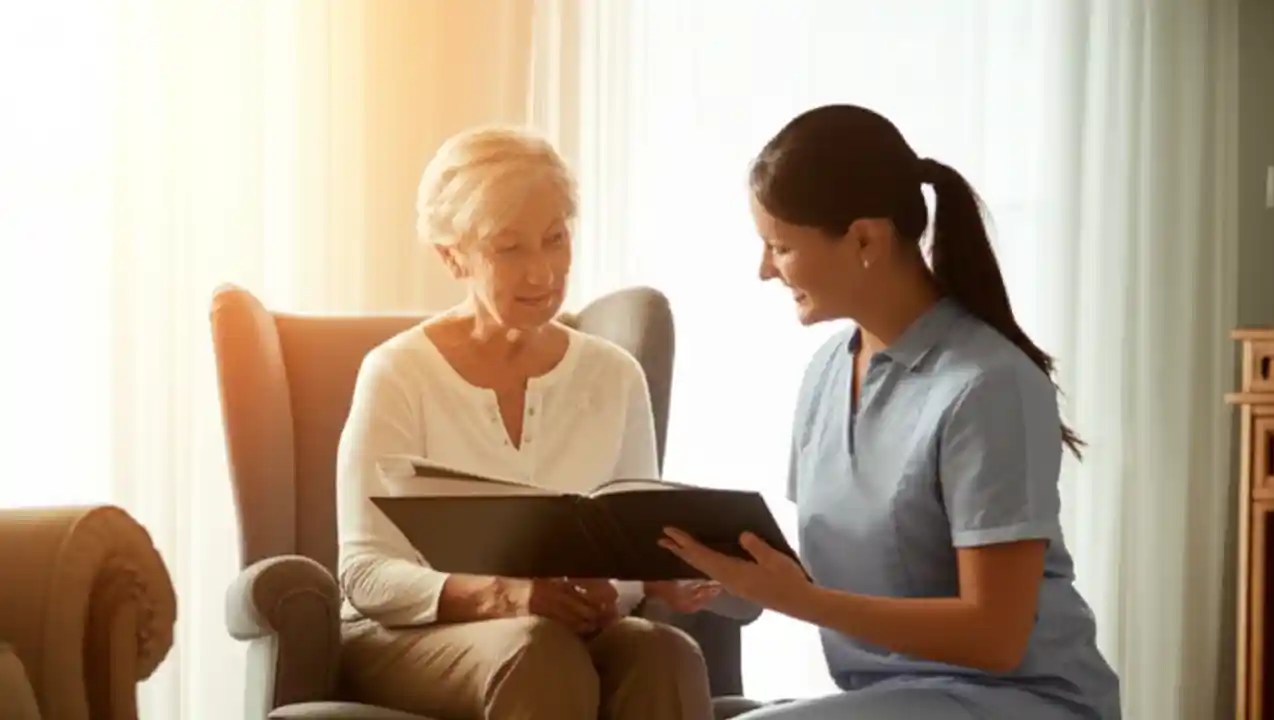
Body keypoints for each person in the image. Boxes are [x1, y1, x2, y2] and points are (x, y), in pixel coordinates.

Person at [659, 104, 1122, 719]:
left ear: (865, 239)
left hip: (1020, 700)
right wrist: (718, 583)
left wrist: (801, 601)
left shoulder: (988, 386)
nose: (765, 269)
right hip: (894, 701)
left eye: (780, 246)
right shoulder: (826, 372)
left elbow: (996, 635)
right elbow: (836, 573)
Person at [335, 125, 724, 720]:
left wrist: (609, 591)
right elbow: (365, 574)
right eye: (508, 248)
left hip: (557, 634)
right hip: (410, 638)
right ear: (452, 255)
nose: (542, 273)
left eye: (555, 240)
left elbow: (632, 548)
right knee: (537, 649)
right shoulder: (397, 372)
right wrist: (506, 596)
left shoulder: (614, 376)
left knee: (663, 651)